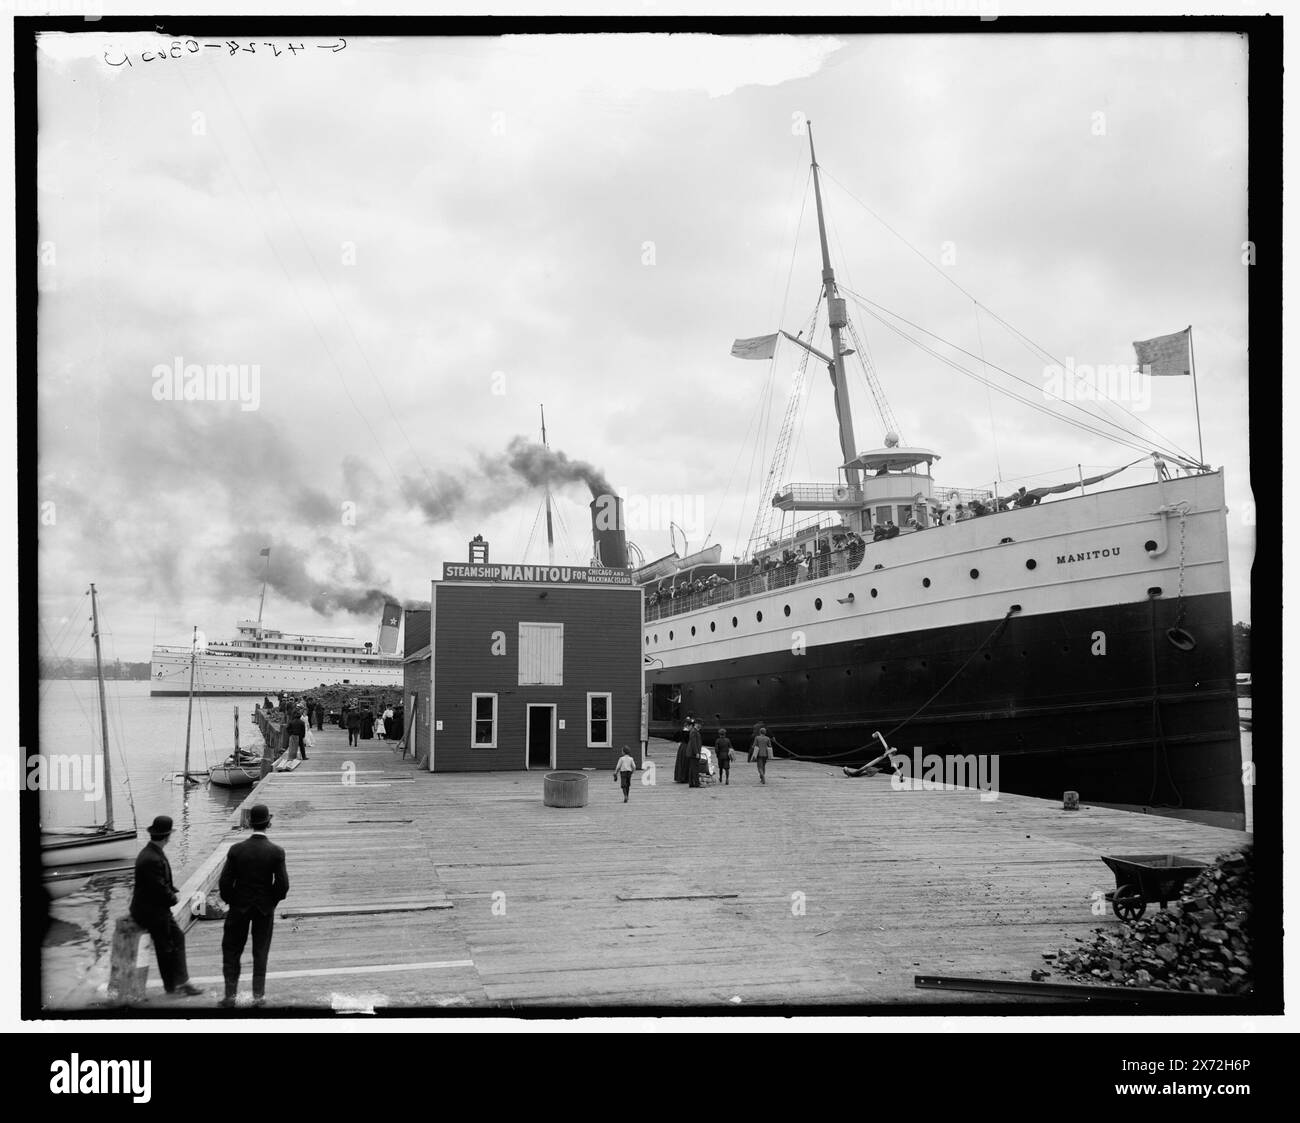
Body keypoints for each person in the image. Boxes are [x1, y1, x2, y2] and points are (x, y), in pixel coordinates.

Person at [218, 804, 290, 1008]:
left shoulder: (236, 850)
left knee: (231, 950)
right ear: (268, 823)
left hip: (238, 907)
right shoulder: (276, 851)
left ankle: (230, 996)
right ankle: (258, 996)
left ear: (249, 824)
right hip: (264, 909)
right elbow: (283, 885)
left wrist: (232, 900)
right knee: (260, 951)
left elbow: (225, 882)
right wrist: (271, 902)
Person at [129, 816, 204, 997]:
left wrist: (173, 890)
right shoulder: (152, 858)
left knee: (176, 938)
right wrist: (174, 898)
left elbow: (161, 882)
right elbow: (159, 888)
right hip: (151, 912)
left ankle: (180, 982)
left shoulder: (152, 852)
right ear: (166, 836)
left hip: (155, 908)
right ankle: (173, 987)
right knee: (165, 947)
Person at [673, 718, 693, 783]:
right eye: (691, 726)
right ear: (688, 726)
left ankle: (680, 777)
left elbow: (675, 738)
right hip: (687, 747)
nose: (691, 727)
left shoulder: (680, 731)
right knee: (686, 762)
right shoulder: (689, 733)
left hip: (682, 747)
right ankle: (686, 777)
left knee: (681, 762)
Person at [686, 719, 702, 788]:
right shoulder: (694, 732)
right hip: (693, 753)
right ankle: (696, 784)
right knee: (695, 768)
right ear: (696, 724)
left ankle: (691, 783)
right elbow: (694, 743)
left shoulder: (694, 731)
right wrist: (697, 753)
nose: (701, 726)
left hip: (692, 753)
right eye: (700, 724)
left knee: (692, 768)